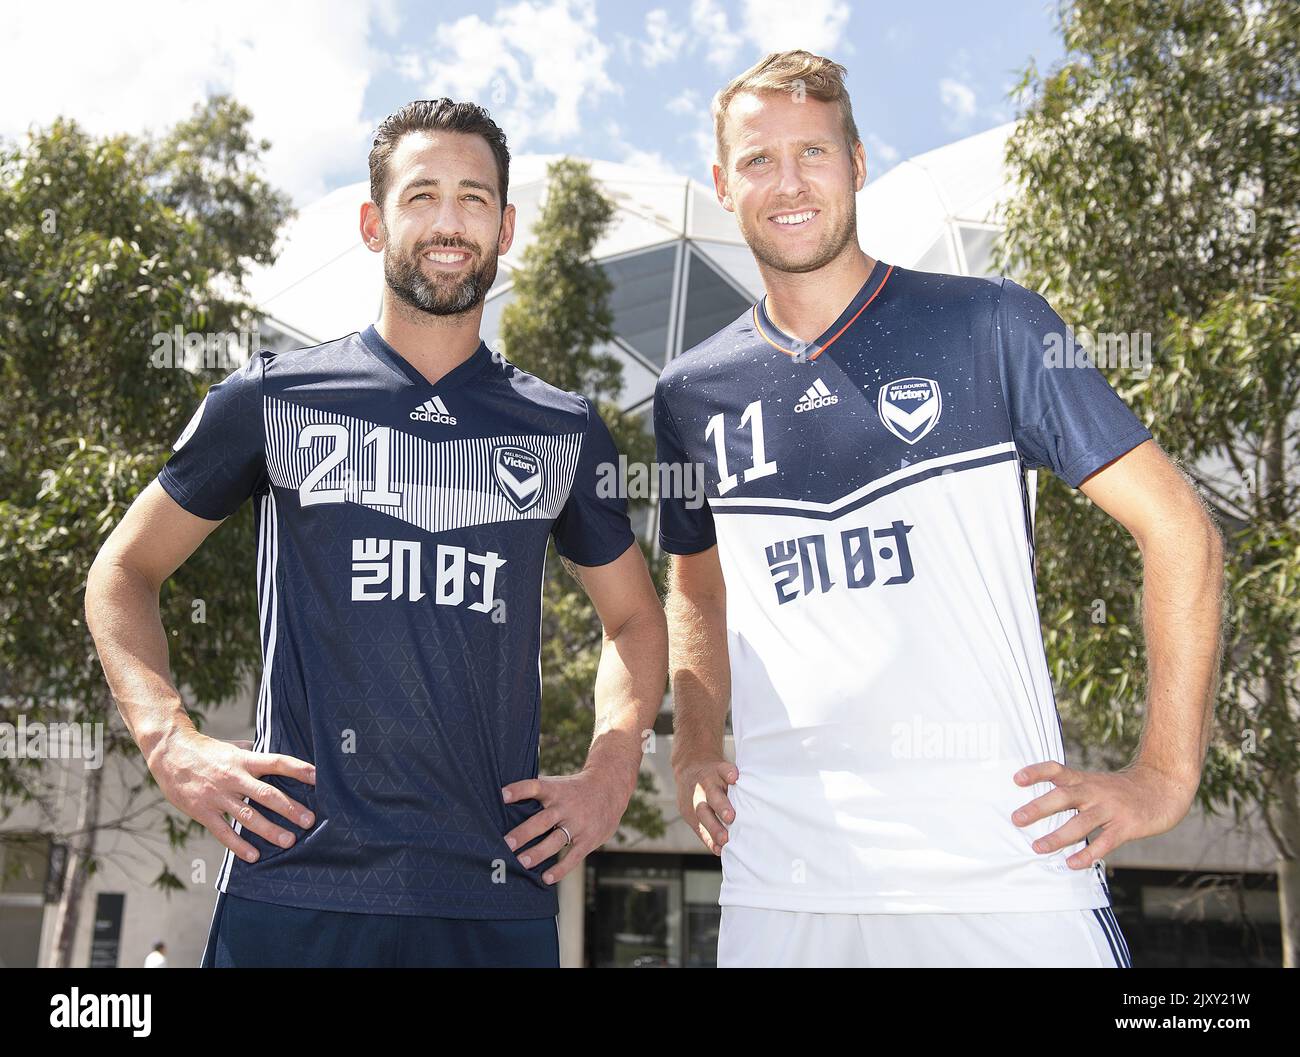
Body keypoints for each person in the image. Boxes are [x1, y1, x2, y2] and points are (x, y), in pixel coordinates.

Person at [655, 51, 1224, 968]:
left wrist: (1163, 775)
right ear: (724, 184)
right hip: (783, 880)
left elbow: (1178, 529)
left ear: (858, 162)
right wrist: (690, 748)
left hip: (1004, 863)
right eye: (759, 160)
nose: (788, 182)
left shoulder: (992, 324)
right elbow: (697, 593)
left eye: (814, 153)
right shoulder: (691, 393)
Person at [86, 98, 667, 968]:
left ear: (505, 228)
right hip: (295, 879)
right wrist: (170, 738)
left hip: (494, 890)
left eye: (474, 199)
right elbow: (122, 572)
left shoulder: (562, 429)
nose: (448, 221)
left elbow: (636, 621)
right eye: (421, 194)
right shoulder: (274, 399)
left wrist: (611, 773)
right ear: (373, 221)